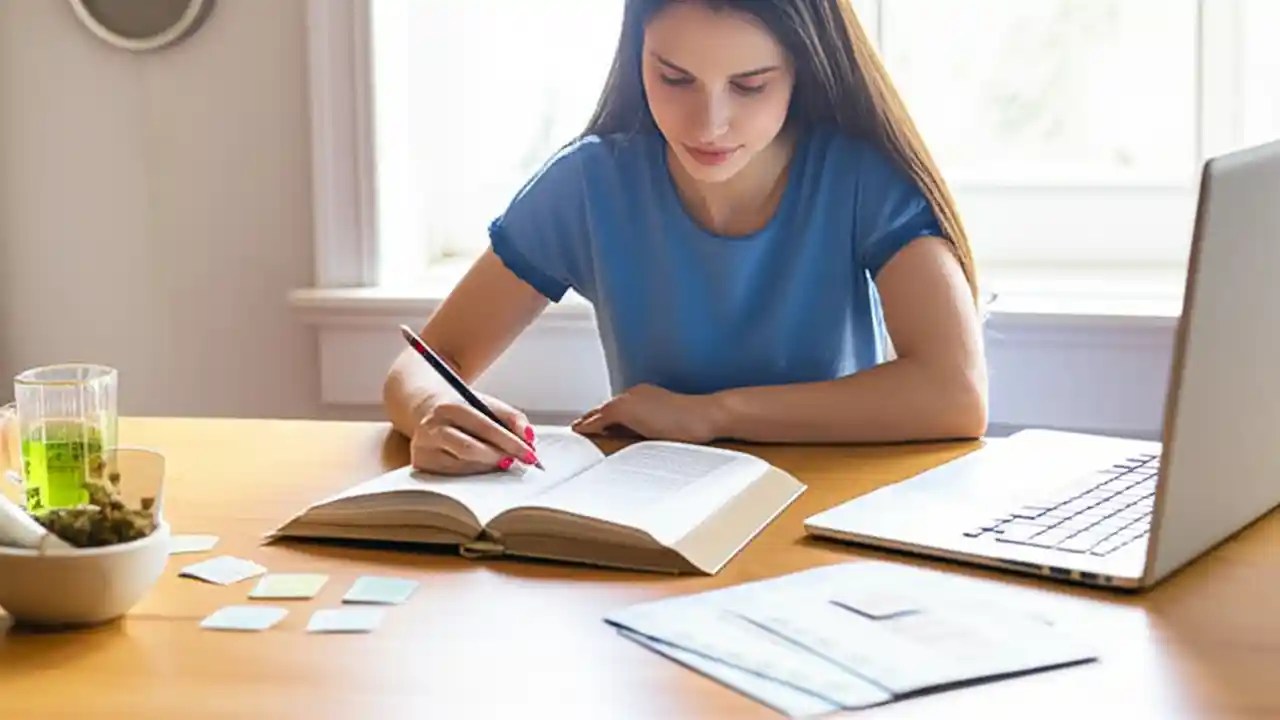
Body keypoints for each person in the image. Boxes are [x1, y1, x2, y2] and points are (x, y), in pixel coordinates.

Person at [384, 0, 988, 475]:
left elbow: (955, 394)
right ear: (637, 53)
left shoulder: (861, 181)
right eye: (674, 79)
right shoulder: (589, 183)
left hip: (823, 517)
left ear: (803, 69)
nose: (708, 124)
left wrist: (712, 415)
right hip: (653, 530)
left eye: (749, 85)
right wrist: (437, 410)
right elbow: (427, 364)